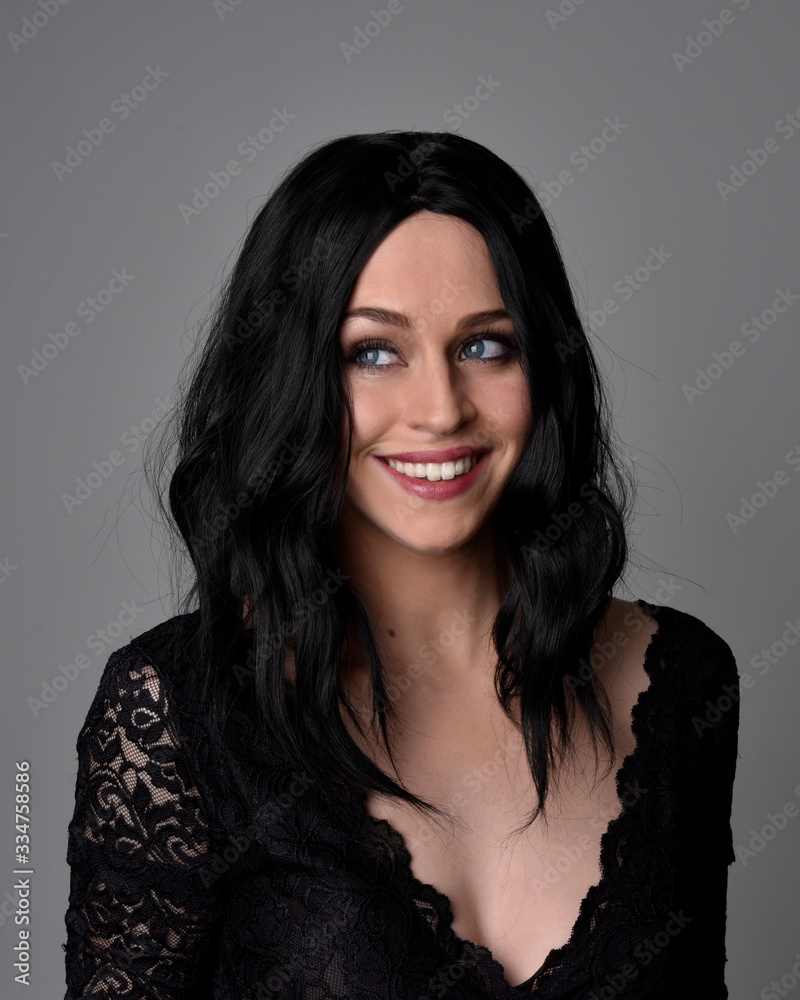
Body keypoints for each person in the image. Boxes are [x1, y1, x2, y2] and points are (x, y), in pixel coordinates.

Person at [62, 130, 740, 998]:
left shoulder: (682, 684)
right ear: (292, 377)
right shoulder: (176, 715)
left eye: (486, 345)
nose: (439, 409)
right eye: (373, 352)